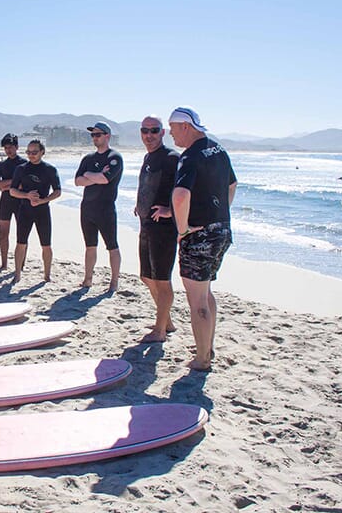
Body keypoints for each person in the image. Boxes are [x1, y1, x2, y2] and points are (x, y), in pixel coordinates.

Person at [168, 107, 237, 371]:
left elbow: (180, 196)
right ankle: (207, 347)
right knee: (206, 293)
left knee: (196, 301)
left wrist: (183, 229)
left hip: (199, 235)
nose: (171, 134)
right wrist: (220, 215)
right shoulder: (218, 150)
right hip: (222, 230)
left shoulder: (191, 156)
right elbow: (232, 186)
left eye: (173, 129)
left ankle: (202, 359)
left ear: (185, 126)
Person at [133, 116, 180, 343]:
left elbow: (185, 189)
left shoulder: (172, 158)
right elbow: (147, 184)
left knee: (162, 279)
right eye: (145, 130)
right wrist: (139, 204)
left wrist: (170, 210)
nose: (148, 135)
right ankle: (167, 321)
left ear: (163, 133)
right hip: (146, 224)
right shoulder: (149, 157)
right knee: (146, 276)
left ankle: (160, 331)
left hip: (164, 229)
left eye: (154, 130)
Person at [74, 122, 124, 290]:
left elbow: (105, 180)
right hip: (87, 208)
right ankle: (88, 279)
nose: (95, 138)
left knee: (112, 246)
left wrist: (90, 176)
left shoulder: (114, 157)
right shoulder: (88, 159)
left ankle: (114, 282)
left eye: (98, 135)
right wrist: (94, 175)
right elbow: (78, 181)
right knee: (90, 246)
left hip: (106, 209)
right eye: (93, 135)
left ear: (107, 136)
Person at [9, 139, 61, 283]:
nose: (31, 155)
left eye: (34, 152)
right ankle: (17, 273)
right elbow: (12, 191)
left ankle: (47, 275)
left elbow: (58, 191)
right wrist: (26, 195)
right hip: (25, 210)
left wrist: (43, 200)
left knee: (46, 244)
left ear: (42, 152)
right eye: (28, 152)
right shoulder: (21, 169)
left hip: (43, 211)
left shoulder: (50, 169)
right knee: (21, 243)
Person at [0, 133, 27, 270]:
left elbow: (24, 184)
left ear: (17, 147)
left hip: (21, 203)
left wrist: (6, 185)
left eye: (11, 147)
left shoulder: (24, 163)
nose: (8, 150)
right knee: (3, 235)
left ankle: (21, 265)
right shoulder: (2, 164)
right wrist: (13, 183)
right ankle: (4, 264)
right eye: (6, 148)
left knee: (22, 235)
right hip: (5, 202)